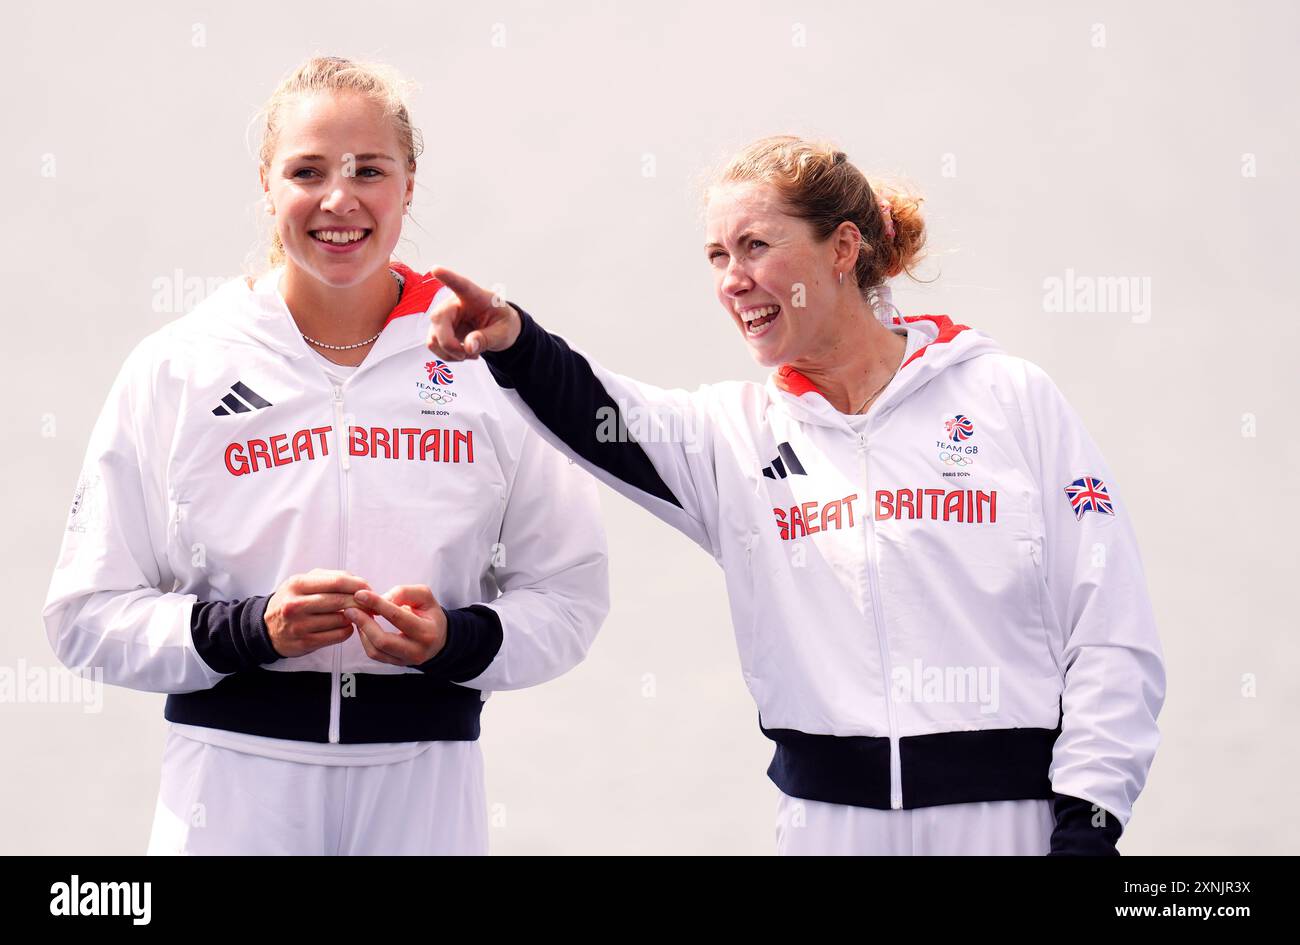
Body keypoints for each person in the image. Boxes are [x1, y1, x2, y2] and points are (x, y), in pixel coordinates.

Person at [424, 135, 1166, 855]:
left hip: (1009, 821)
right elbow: (597, 410)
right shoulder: (735, 436)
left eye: (755, 246)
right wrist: (511, 336)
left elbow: (1110, 626)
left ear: (842, 250)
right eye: (717, 256)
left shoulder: (1010, 397)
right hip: (827, 822)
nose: (732, 280)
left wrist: (1089, 822)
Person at [42, 55, 609, 856]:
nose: (339, 200)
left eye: (368, 170)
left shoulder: (486, 365)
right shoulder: (179, 365)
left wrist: (454, 641)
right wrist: (244, 631)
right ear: (267, 186)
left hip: (425, 781)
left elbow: (569, 595)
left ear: (409, 185)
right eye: (307, 170)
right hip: (231, 783)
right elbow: (83, 613)